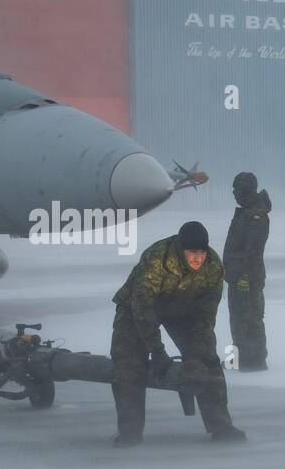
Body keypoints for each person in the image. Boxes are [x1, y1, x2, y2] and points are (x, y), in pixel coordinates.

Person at [109, 221, 247, 447]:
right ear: (182, 249)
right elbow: (143, 308)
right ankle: (129, 432)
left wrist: (196, 352)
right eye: (193, 253)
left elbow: (205, 316)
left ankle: (221, 425)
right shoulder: (157, 260)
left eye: (202, 253)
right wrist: (157, 350)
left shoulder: (213, 268)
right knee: (128, 365)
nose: (198, 259)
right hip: (137, 309)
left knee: (207, 361)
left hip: (183, 309)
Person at [223, 172, 271, 371]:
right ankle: (238, 357)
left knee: (250, 316)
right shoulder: (244, 213)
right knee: (237, 316)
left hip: (246, 277)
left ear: (248, 191)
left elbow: (252, 251)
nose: (235, 194)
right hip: (236, 276)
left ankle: (256, 359)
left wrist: (243, 277)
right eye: (234, 190)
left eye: (238, 190)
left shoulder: (256, 216)